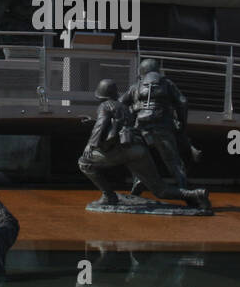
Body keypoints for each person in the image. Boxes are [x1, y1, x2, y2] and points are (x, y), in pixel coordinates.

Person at [78, 79, 210, 210]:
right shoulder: (125, 108)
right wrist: (93, 122)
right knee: (160, 189)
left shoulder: (104, 105)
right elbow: (116, 125)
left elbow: (102, 124)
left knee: (84, 163)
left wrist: (91, 144)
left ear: (101, 95)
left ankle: (109, 196)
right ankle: (196, 194)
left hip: (122, 150)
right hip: (139, 149)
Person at [121, 58, 201, 190]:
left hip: (140, 127)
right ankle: (185, 190)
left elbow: (120, 103)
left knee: (134, 156)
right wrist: (182, 124)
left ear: (142, 72)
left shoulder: (136, 86)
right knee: (174, 162)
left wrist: (128, 118)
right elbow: (183, 102)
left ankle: (138, 180)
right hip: (163, 127)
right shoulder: (167, 84)